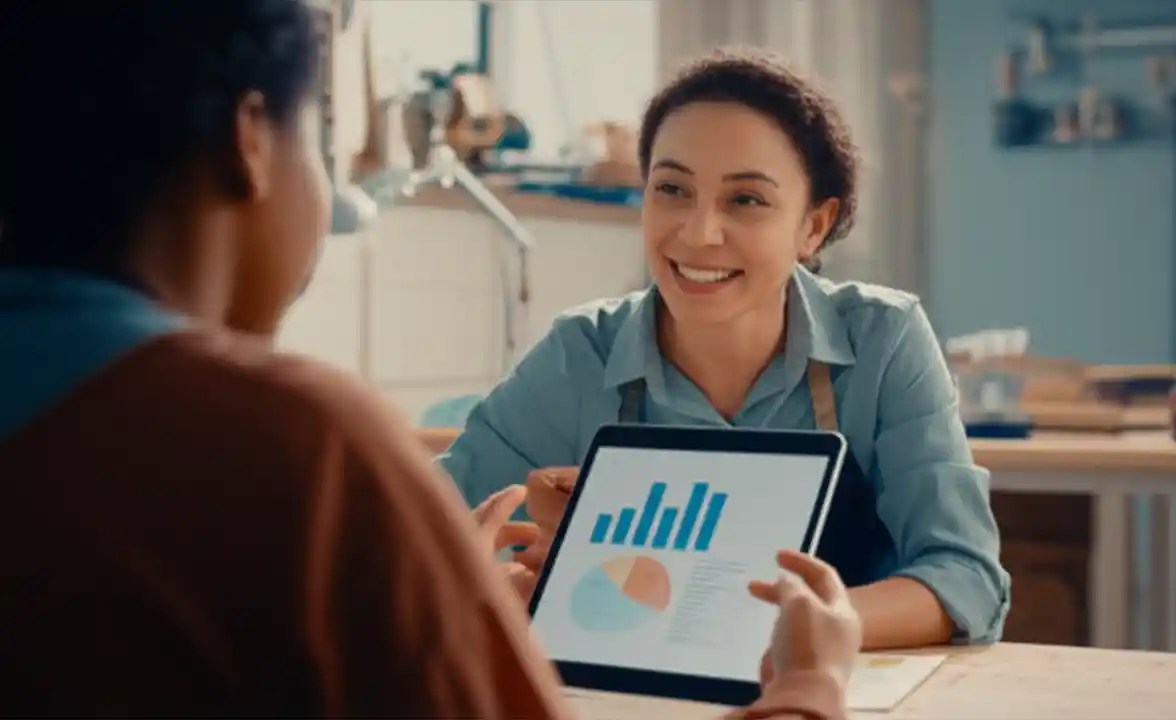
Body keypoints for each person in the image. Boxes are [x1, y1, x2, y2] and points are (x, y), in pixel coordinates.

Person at [0, 2, 860, 717]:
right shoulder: (296, 450)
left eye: (744, 198)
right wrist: (809, 688)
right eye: (322, 134)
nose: (699, 228)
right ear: (250, 138)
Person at [440, 50, 1011, 651]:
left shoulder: (883, 341)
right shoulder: (579, 354)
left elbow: (964, 577)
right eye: (672, 189)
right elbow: (418, 530)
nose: (698, 231)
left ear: (813, 227)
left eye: (746, 200)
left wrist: (782, 625)